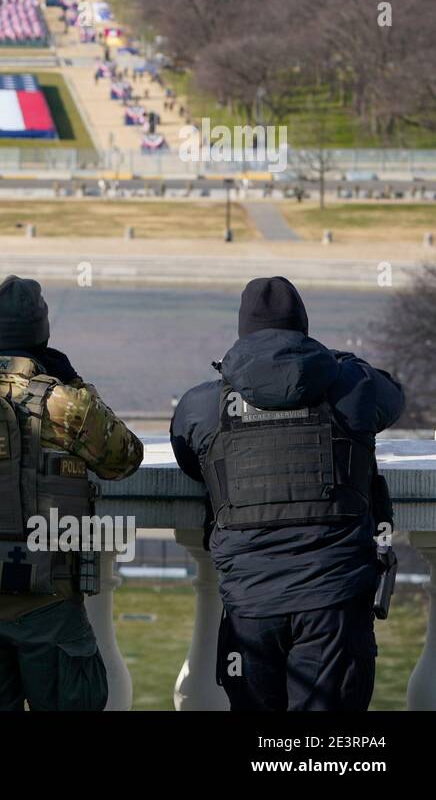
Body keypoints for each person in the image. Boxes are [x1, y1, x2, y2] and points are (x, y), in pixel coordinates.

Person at [170, 277, 404, 711]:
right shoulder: (352, 386)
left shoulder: (202, 405)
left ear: (243, 334)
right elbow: (393, 396)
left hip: (250, 602)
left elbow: (189, 459)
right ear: (303, 330)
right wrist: (341, 363)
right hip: (334, 601)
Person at [0, 276, 144, 710]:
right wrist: (76, 383)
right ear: (44, 336)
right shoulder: (63, 400)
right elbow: (124, 457)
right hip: (49, 602)